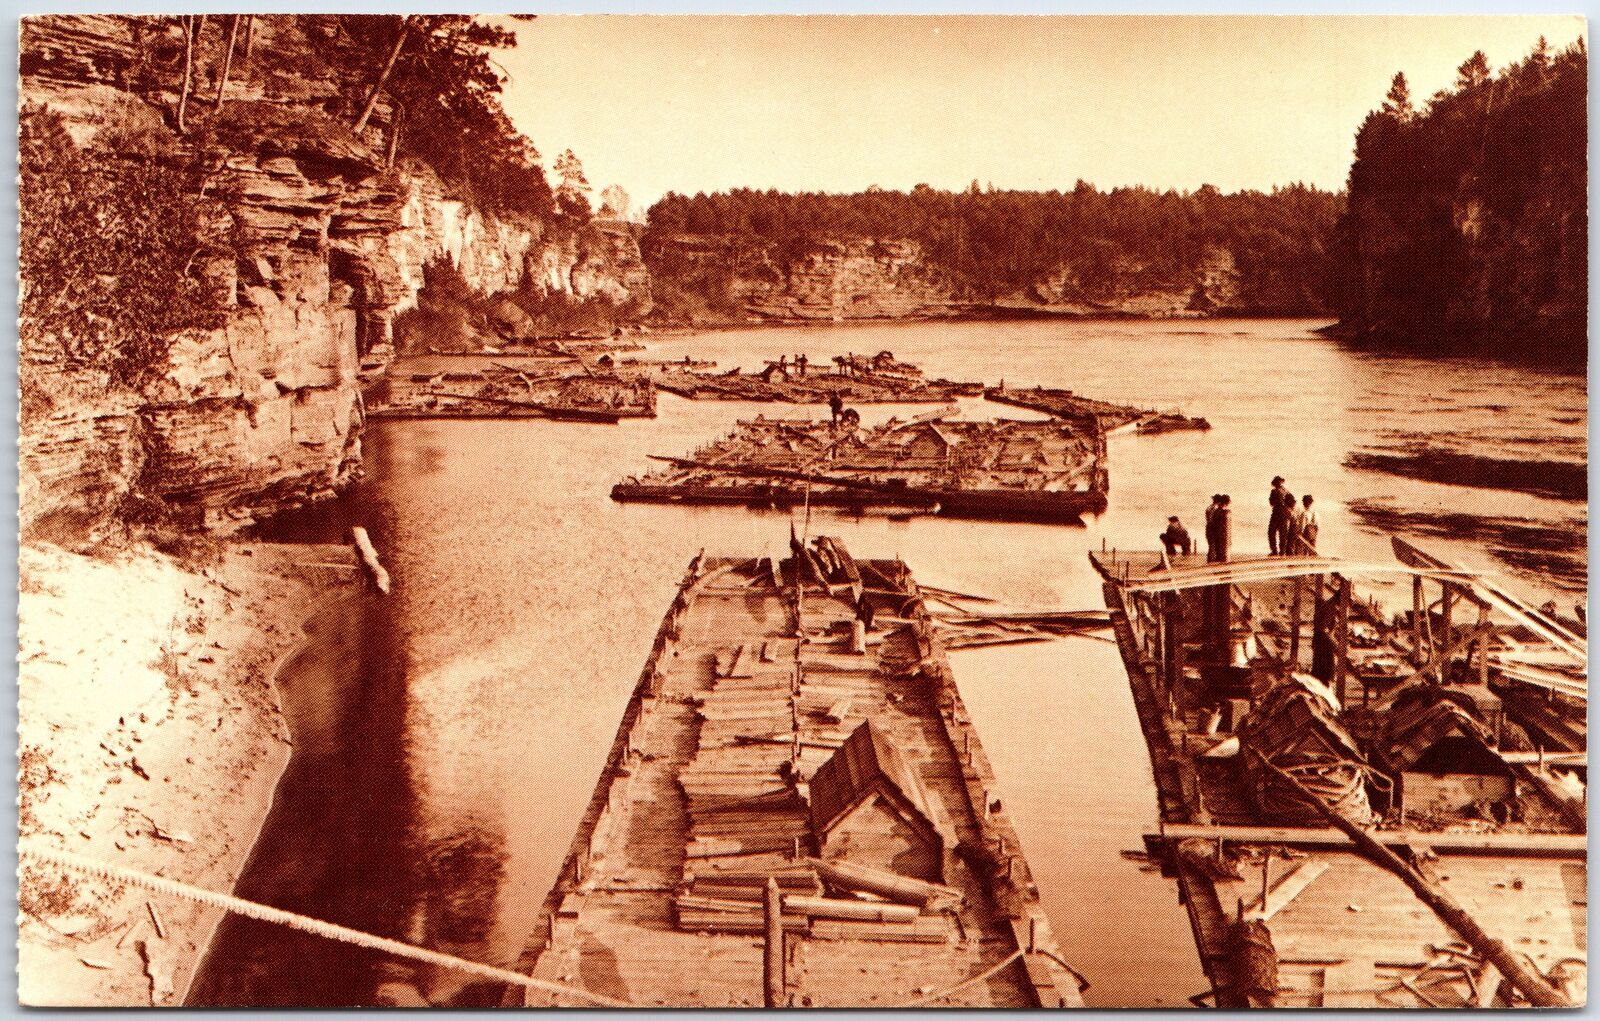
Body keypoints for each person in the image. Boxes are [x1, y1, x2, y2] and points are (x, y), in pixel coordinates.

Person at [1205, 495, 1232, 563]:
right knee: (1214, 547)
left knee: (1213, 547)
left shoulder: (1211, 508)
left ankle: (1211, 561)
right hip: (1214, 530)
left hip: (1211, 529)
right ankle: (1212, 561)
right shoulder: (1218, 510)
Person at [1268, 476, 1290, 555]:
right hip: (1285, 514)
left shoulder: (1274, 491)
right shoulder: (1286, 491)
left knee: (1271, 532)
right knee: (1283, 533)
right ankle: (1282, 551)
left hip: (1277, 513)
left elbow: (1271, 503)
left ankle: (1274, 551)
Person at [1282, 492, 1301, 557]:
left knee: (1290, 543)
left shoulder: (1288, 510)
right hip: (1296, 527)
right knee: (1294, 543)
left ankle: (1291, 557)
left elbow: (1288, 521)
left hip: (1293, 527)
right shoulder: (1295, 509)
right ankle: (1293, 555)